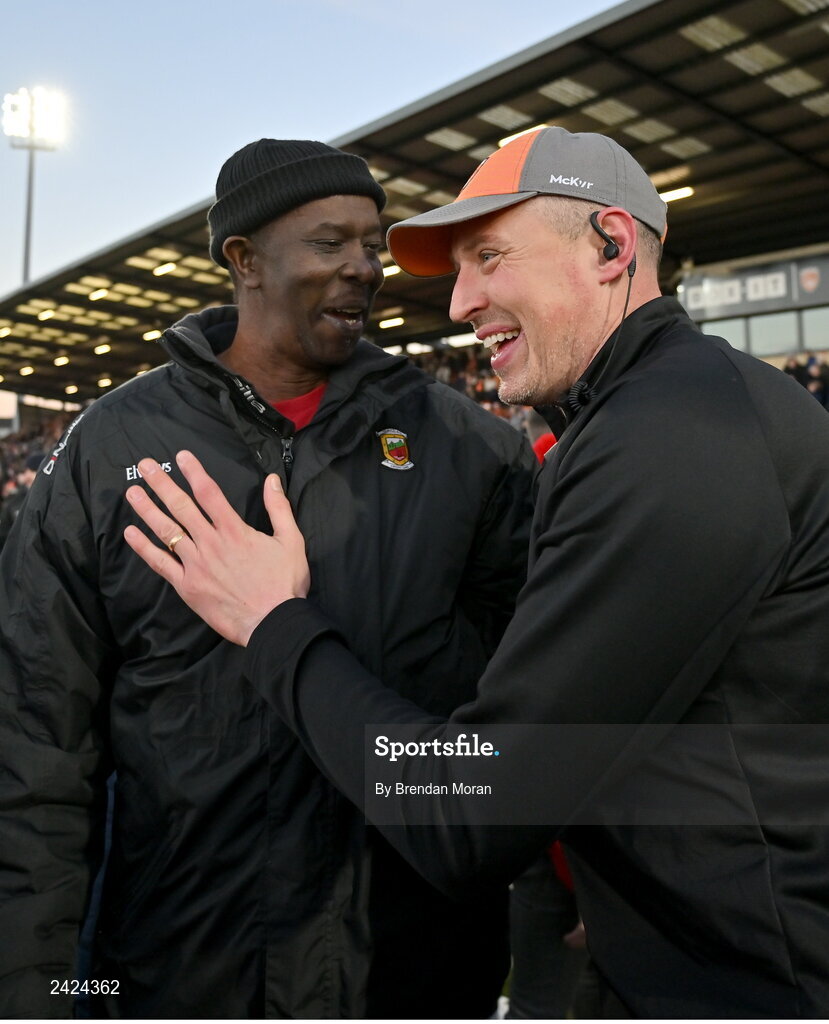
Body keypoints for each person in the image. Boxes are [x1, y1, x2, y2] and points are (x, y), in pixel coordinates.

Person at [125, 126, 829, 1018]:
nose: (459, 301)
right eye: (459, 270)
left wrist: (274, 626)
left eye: (490, 257)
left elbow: (474, 809)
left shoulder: (673, 440)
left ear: (611, 246)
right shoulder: (657, 414)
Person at [0, 139, 536, 1019]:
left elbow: (537, 710)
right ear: (244, 260)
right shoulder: (110, 448)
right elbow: (34, 744)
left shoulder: (466, 446)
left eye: (371, 244)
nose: (363, 267)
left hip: (412, 976)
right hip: (179, 973)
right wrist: (38, 992)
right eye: (329, 243)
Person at [0, 452, 44, 552]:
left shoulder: (54, 496)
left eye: (33, 471)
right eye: (29, 471)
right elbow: (3, 533)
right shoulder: (14, 501)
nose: (28, 475)